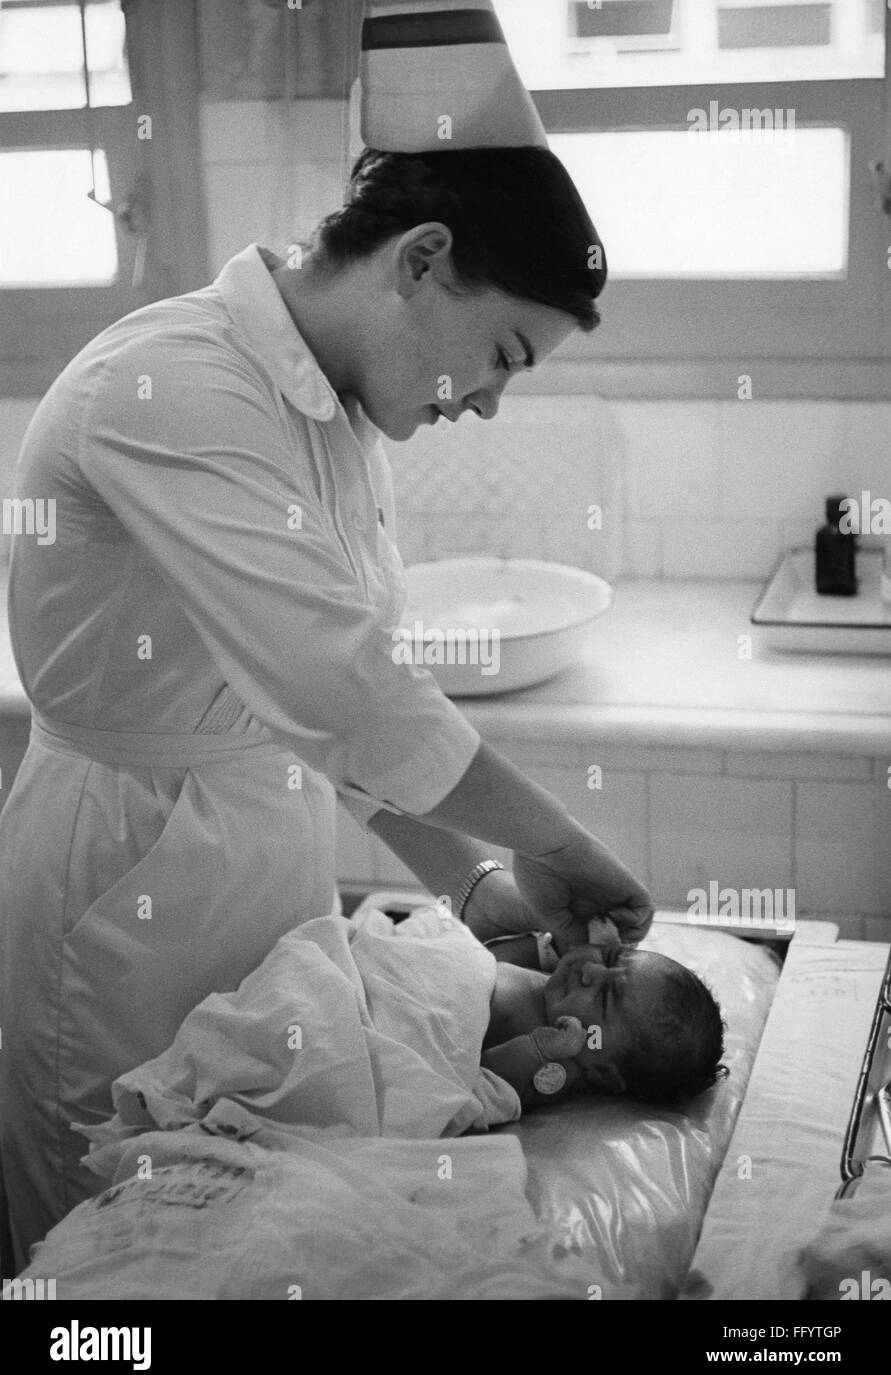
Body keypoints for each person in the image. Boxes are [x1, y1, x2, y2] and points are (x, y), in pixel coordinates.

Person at [0, 0, 654, 1273]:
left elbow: (329, 718)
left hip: (265, 892)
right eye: (502, 354)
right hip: (123, 888)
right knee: (117, 1254)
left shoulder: (341, 425)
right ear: (422, 258)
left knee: (249, 1237)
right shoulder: (177, 390)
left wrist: (479, 889)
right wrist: (566, 848)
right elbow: (344, 686)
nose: (486, 402)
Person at [482, 938, 728, 1111]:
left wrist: (536, 1049)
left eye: (603, 998)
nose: (589, 969)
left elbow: (488, 1088)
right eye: (610, 957)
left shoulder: (558, 1067)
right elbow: (488, 955)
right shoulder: (557, 986)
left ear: (603, 1073)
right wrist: (544, 946)